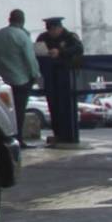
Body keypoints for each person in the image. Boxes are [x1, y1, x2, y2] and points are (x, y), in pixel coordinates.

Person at [0, 10, 41, 147]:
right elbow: (30, 59)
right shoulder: (22, 36)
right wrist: (35, 75)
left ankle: (5, 137)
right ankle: (18, 139)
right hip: (21, 80)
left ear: (9, 19)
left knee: (4, 111)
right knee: (19, 111)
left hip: (4, 79)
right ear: (22, 21)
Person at [36, 16, 84, 145]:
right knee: (53, 106)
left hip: (65, 77)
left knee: (66, 106)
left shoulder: (69, 36)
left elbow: (79, 48)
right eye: (49, 30)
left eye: (54, 29)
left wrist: (60, 52)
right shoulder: (43, 38)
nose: (52, 32)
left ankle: (67, 135)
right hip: (50, 76)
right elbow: (37, 50)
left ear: (59, 28)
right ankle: (57, 134)